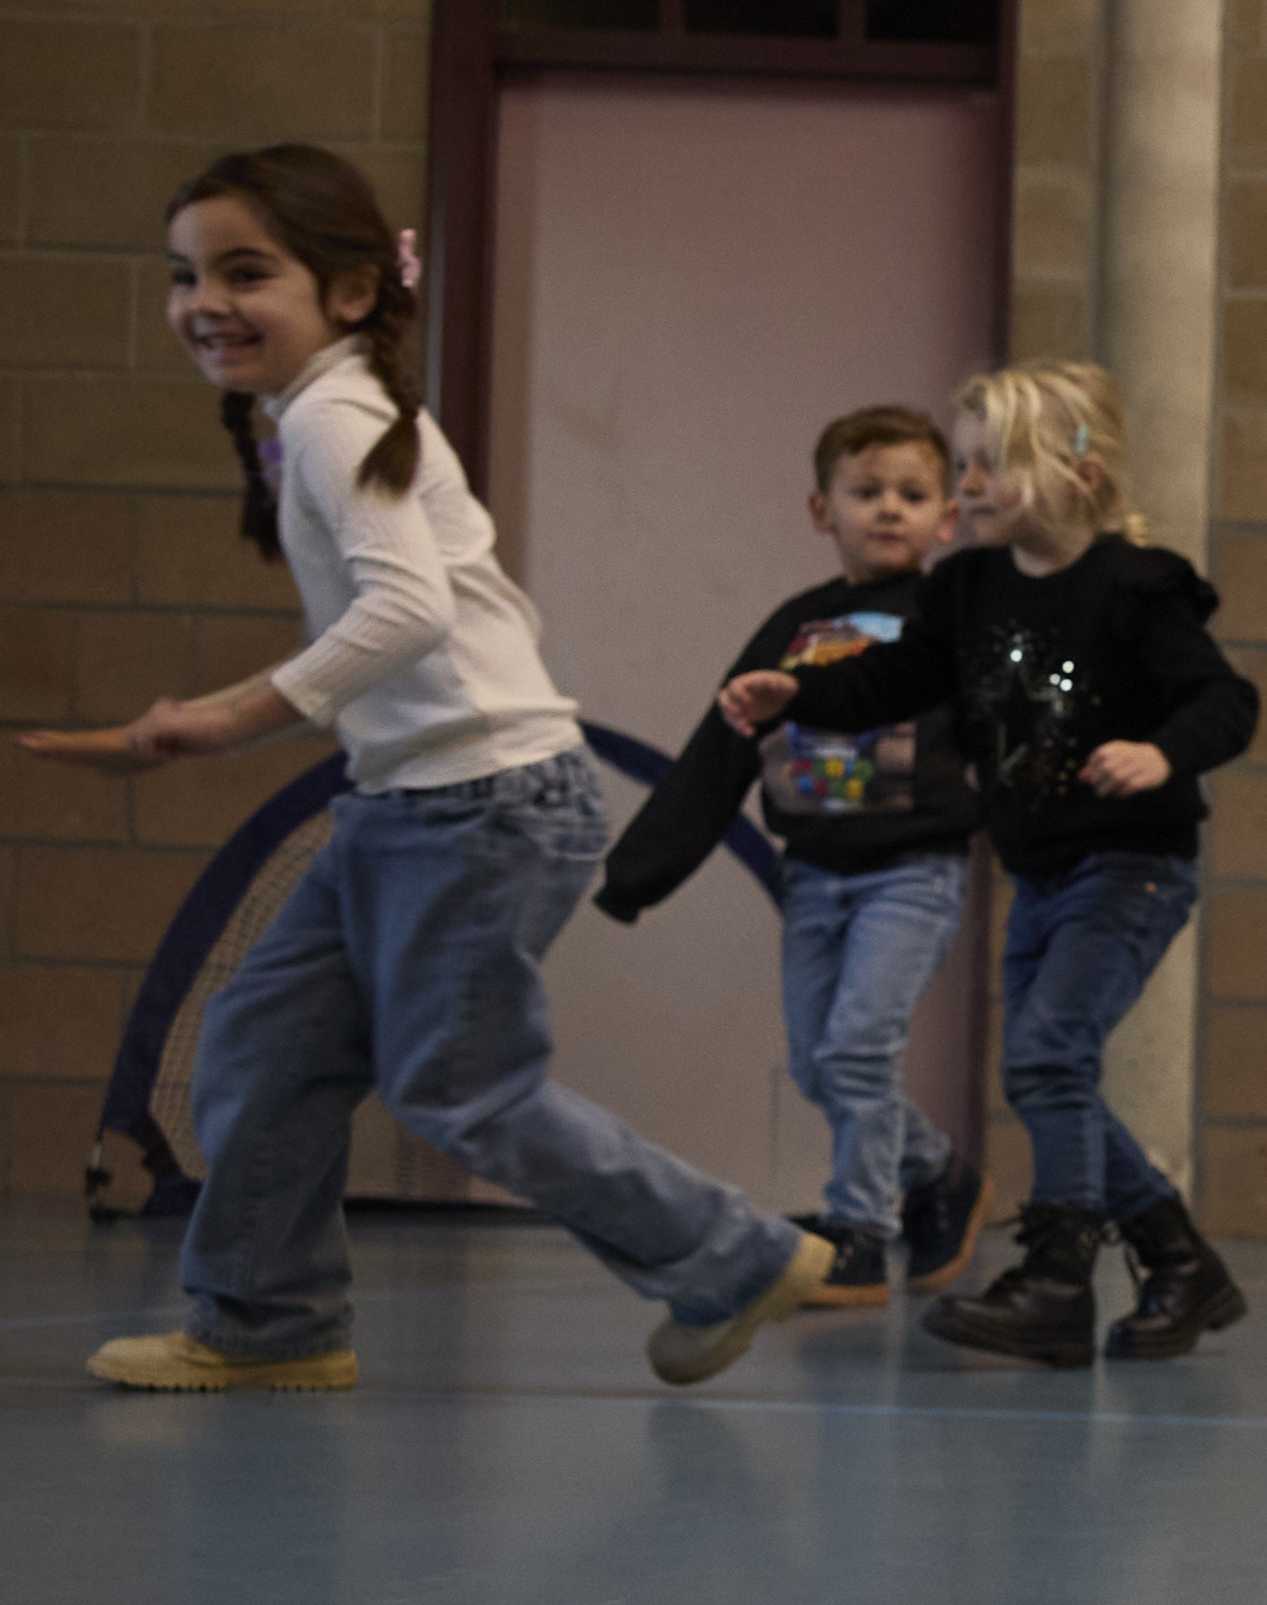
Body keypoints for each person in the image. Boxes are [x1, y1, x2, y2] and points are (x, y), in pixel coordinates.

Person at [22, 144, 835, 1392]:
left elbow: (406, 613)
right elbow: (402, 631)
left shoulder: (334, 415)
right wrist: (220, 718)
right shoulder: (322, 412)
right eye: (186, 275)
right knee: (265, 1044)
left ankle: (731, 1255)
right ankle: (269, 1321)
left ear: (351, 291)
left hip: (481, 808)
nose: (205, 303)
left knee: (461, 1088)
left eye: (246, 272)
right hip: (414, 803)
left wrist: (224, 722)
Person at [717, 361, 1262, 1370]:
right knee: (1047, 1070)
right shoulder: (970, 589)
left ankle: (1057, 1279)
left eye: (990, 465)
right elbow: (892, 680)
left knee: (1048, 1058)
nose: (965, 486)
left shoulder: (1136, 588)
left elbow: (1225, 702)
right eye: (963, 465)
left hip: (1130, 866)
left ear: (1079, 471)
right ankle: (1179, 1259)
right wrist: (798, 695)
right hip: (1041, 874)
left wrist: (1160, 754)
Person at [593, 405, 995, 1307]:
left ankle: (860, 1230)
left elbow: (1005, 726)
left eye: (912, 494)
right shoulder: (794, 626)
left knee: (858, 1049)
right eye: (866, 491)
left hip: (913, 871)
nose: (888, 508)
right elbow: (722, 745)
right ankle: (938, 1174)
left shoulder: (950, 619)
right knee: (819, 1066)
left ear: (947, 519)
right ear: (823, 509)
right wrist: (639, 874)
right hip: (814, 873)